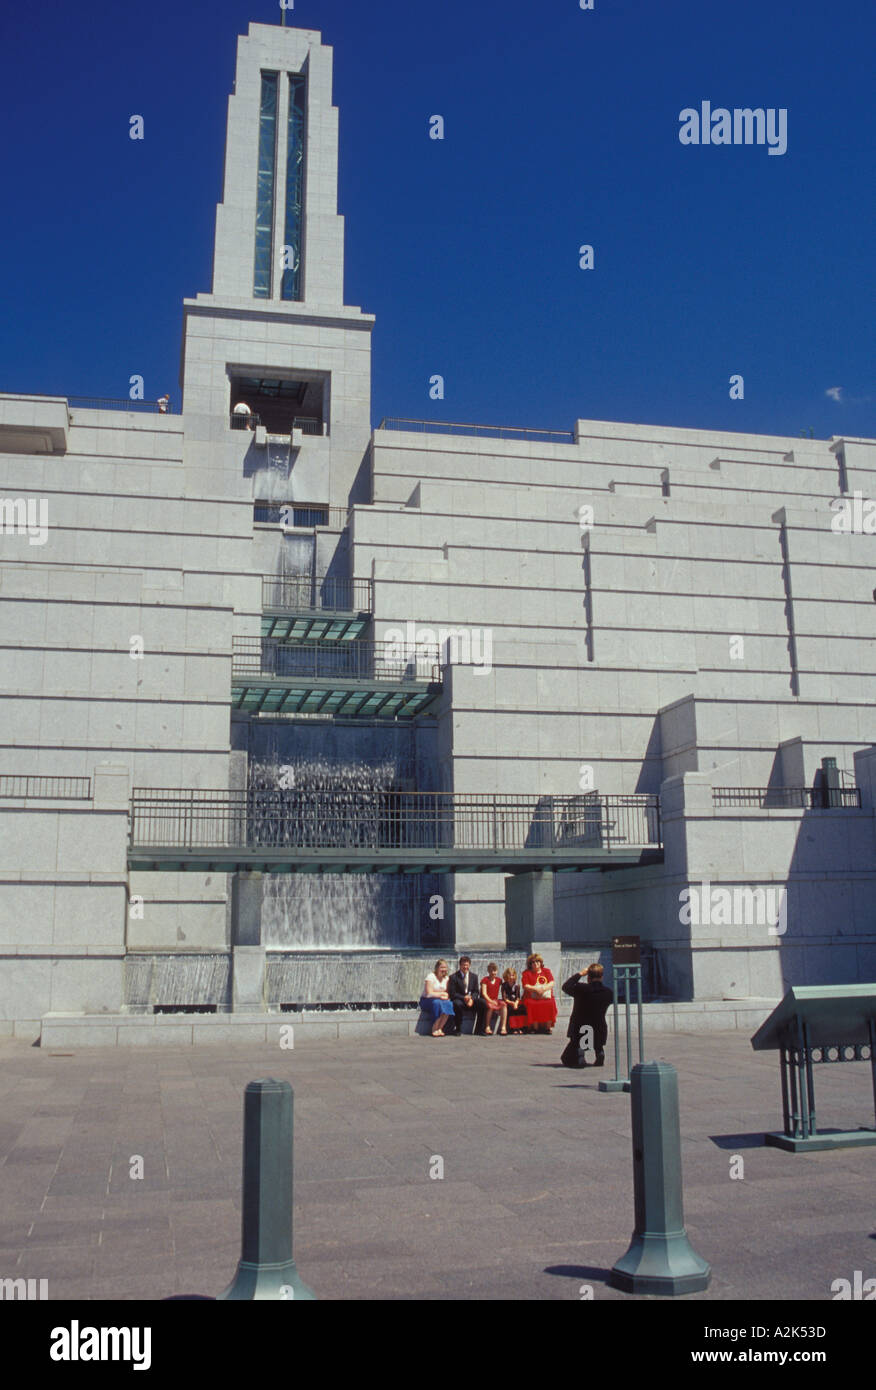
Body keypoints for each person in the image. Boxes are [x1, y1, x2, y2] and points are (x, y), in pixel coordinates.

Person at [560, 962, 613, 1068]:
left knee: (566, 1058)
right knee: (596, 1038)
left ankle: (580, 1054)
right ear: (602, 977)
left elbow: (566, 986)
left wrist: (579, 974)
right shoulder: (608, 992)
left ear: (588, 977)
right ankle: (599, 1052)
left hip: (581, 1028)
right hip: (599, 1028)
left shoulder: (581, 989)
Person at [521, 953, 557, 1034]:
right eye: (533, 962)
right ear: (530, 964)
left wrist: (543, 989)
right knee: (531, 1004)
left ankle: (548, 1027)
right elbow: (525, 985)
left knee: (550, 1003)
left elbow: (552, 982)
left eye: (538, 961)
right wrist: (536, 989)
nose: (536, 964)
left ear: (541, 963)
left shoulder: (546, 971)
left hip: (545, 995)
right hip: (531, 996)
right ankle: (534, 1027)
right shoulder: (526, 973)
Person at [420, 959, 454, 1037]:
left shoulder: (447, 979)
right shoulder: (431, 977)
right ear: (437, 968)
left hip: (440, 1000)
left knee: (449, 1004)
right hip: (426, 1000)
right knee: (437, 1003)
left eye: (445, 968)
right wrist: (441, 994)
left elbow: (448, 993)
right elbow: (429, 994)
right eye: (441, 967)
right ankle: (434, 1028)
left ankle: (440, 1028)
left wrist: (446, 996)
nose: (443, 970)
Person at [448, 955, 481, 1036]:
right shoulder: (453, 977)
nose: (465, 967)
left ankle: (479, 1029)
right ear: (460, 965)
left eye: (467, 965)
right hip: (460, 1000)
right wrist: (464, 998)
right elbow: (452, 993)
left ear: (469, 965)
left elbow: (476, 991)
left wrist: (472, 999)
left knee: (482, 1003)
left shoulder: (474, 977)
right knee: (456, 1004)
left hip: (470, 1001)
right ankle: (458, 1028)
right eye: (463, 965)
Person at [479, 962, 507, 1035]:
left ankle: (503, 1027)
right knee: (490, 1006)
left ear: (497, 971)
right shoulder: (485, 980)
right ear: (488, 971)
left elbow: (503, 989)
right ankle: (487, 1026)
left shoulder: (499, 980)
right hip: (487, 1000)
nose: (493, 972)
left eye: (494, 971)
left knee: (504, 1005)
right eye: (491, 971)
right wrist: (491, 1001)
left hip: (495, 1000)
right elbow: (484, 993)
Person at [501, 967, 527, 1033]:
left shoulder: (517, 985)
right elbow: (504, 998)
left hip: (515, 1002)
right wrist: (511, 1003)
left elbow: (518, 996)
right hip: (508, 1002)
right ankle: (513, 1028)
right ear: (506, 976)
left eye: (512, 975)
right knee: (511, 1009)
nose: (511, 977)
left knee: (521, 1008)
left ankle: (521, 1027)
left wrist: (516, 1003)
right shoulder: (504, 985)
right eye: (509, 975)